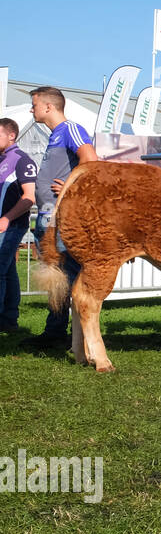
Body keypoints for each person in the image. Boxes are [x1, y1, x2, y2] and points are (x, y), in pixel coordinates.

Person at [22, 86, 97, 349]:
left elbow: (91, 160)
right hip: (48, 217)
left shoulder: (71, 129)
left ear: (48, 107)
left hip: (61, 218)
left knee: (69, 275)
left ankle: (75, 333)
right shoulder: (56, 135)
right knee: (56, 276)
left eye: (34, 104)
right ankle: (56, 331)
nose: (31, 110)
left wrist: (69, 186)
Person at [0, 117, 38, 333]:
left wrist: (6, 219)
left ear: (11, 135)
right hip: (3, 224)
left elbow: (29, 197)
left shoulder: (22, 160)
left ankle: (6, 318)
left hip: (11, 225)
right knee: (8, 270)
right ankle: (9, 319)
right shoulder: (1, 159)